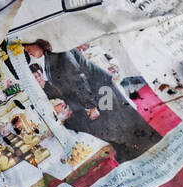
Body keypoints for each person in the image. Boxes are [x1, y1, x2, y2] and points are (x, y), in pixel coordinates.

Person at [26, 42, 160, 163]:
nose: (27, 51)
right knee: (116, 121)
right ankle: (134, 150)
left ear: (38, 42)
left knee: (117, 120)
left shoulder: (58, 53)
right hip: (96, 90)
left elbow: (77, 78)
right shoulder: (51, 56)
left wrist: (90, 105)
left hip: (100, 90)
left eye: (28, 46)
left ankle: (146, 147)